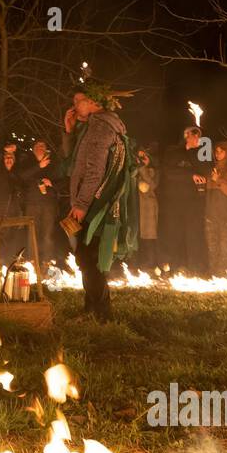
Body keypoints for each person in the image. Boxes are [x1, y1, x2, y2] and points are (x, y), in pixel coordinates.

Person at [65, 85, 136, 320]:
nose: (74, 106)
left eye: (79, 101)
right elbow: (73, 161)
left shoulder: (99, 128)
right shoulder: (101, 126)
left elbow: (94, 171)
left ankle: (102, 313)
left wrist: (82, 204)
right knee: (89, 258)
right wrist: (69, 130)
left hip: (95, 205)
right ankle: (93, 309)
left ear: (94, 102)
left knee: (88, 259)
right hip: (96, 203)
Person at [159, 126, 210, 274]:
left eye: (199, 136)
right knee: (175, 233)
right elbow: (169, 172)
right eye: (195, 136)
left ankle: (196, 267)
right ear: (187, 136)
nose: (198, 139)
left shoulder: (201, 153)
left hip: (194, 201)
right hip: (174, 200)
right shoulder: (172, 151)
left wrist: (200, 152)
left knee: (194, 233)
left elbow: (206, 170)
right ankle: (176, 266)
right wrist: (190, 175)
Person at [20, 140, 61, 273]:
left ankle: (47, 265)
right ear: (33, 149)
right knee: (32, 235)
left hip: (48, 204)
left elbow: (62, 181)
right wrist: (38, 166)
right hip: (32, 204)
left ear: (46, 149)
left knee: (47, 235)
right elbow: (22, 177)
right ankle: (33, 265)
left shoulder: (53, 164)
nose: (40, 148)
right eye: (37, 146)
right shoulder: (27, 162)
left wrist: (51, 183)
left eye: (42, 146)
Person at [204, 140, 227, 276]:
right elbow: (207, 193)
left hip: (226, 214)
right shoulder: (212, 170)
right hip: (210, 214)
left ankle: (224, 272)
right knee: (212, 246)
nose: (218, 154)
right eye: (216, 152)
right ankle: (213, 272)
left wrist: (218, 180)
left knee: (225, 246)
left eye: (221, 151)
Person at [135, 147, 159, 270]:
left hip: (147, 209)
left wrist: (142, 168)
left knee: (148, 238)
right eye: (139, 157)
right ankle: (137, 264)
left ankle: (150, 264)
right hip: (136, 208)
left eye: (144, 157)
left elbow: (152, 185)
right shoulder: (134, 171)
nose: (141, 160)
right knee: (136, 237)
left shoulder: (153, 171)